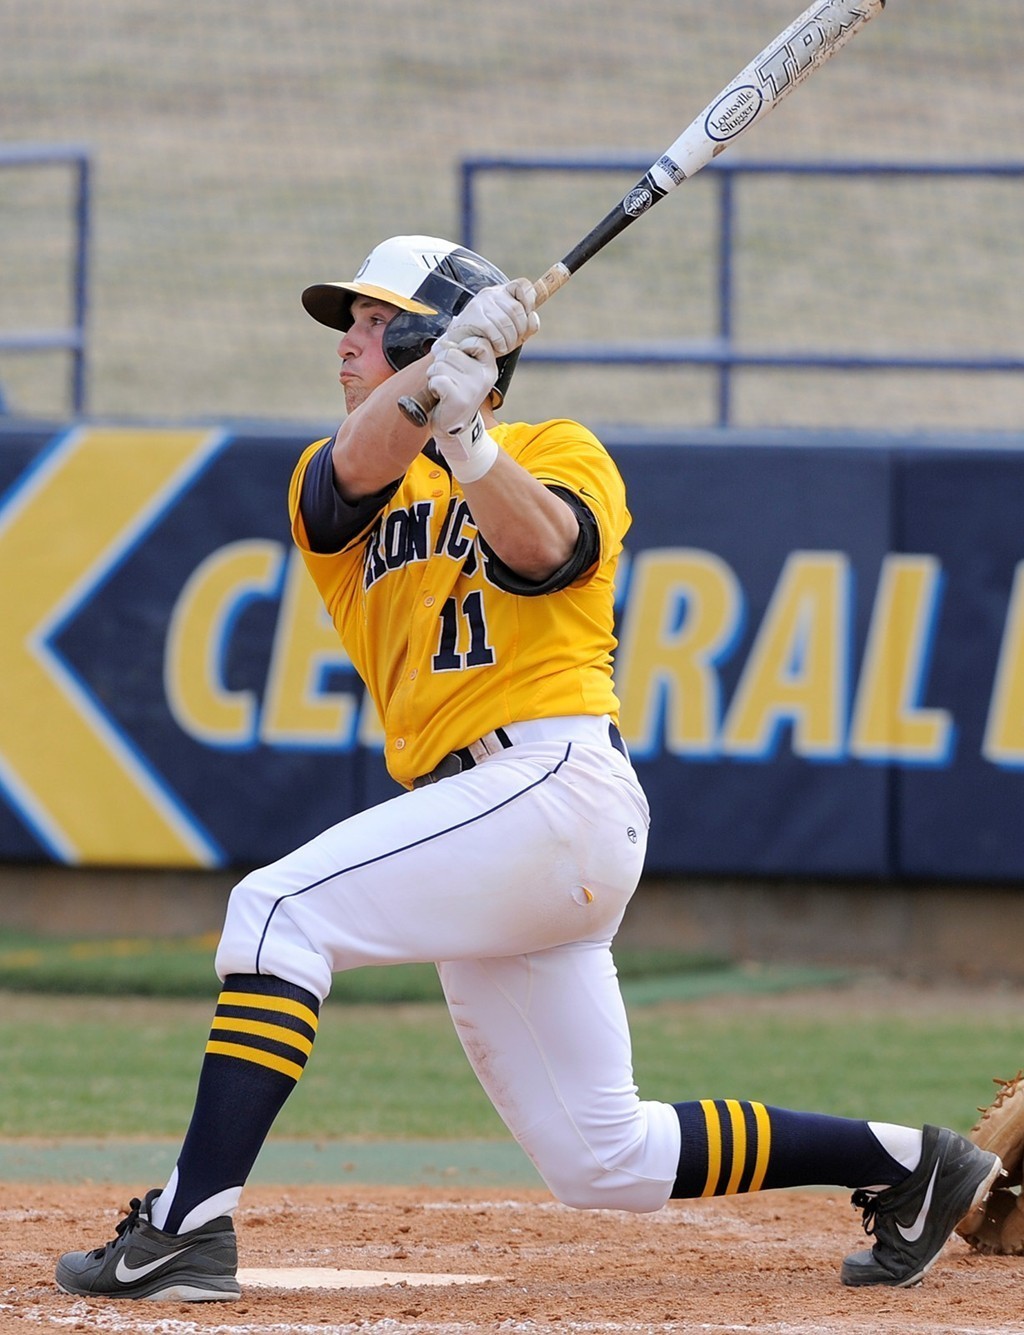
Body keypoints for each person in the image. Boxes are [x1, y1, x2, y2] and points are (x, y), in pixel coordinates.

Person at [56, 235, 1001, 1302]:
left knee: (275, 914)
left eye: (373, 325)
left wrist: (466, 434)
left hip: (551, 788)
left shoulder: (559, 448)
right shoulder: (340, 471)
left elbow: (543, 551)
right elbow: (356, 467)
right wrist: (431, 381)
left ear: (430, 333)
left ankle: (185, 1227)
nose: (346, 348)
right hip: (484, 819)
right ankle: (911, 1163)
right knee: (603, 1158)